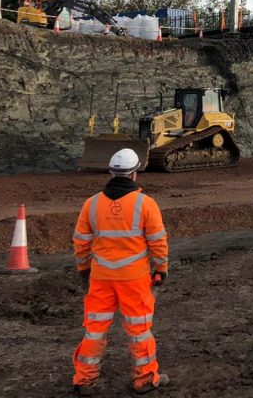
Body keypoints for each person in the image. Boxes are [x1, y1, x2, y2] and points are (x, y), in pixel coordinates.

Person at [72, 149, 170, 396]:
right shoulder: (145, 204)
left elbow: (81, 242)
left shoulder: (92, 204)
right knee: (139, 331)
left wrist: (84, 270)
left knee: (95, 329)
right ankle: (145, 378)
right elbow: (158, 241)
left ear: (111, 173)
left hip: (101, 278)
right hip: (134, 280)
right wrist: (161, 269)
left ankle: (85, 379)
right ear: (134, 174)